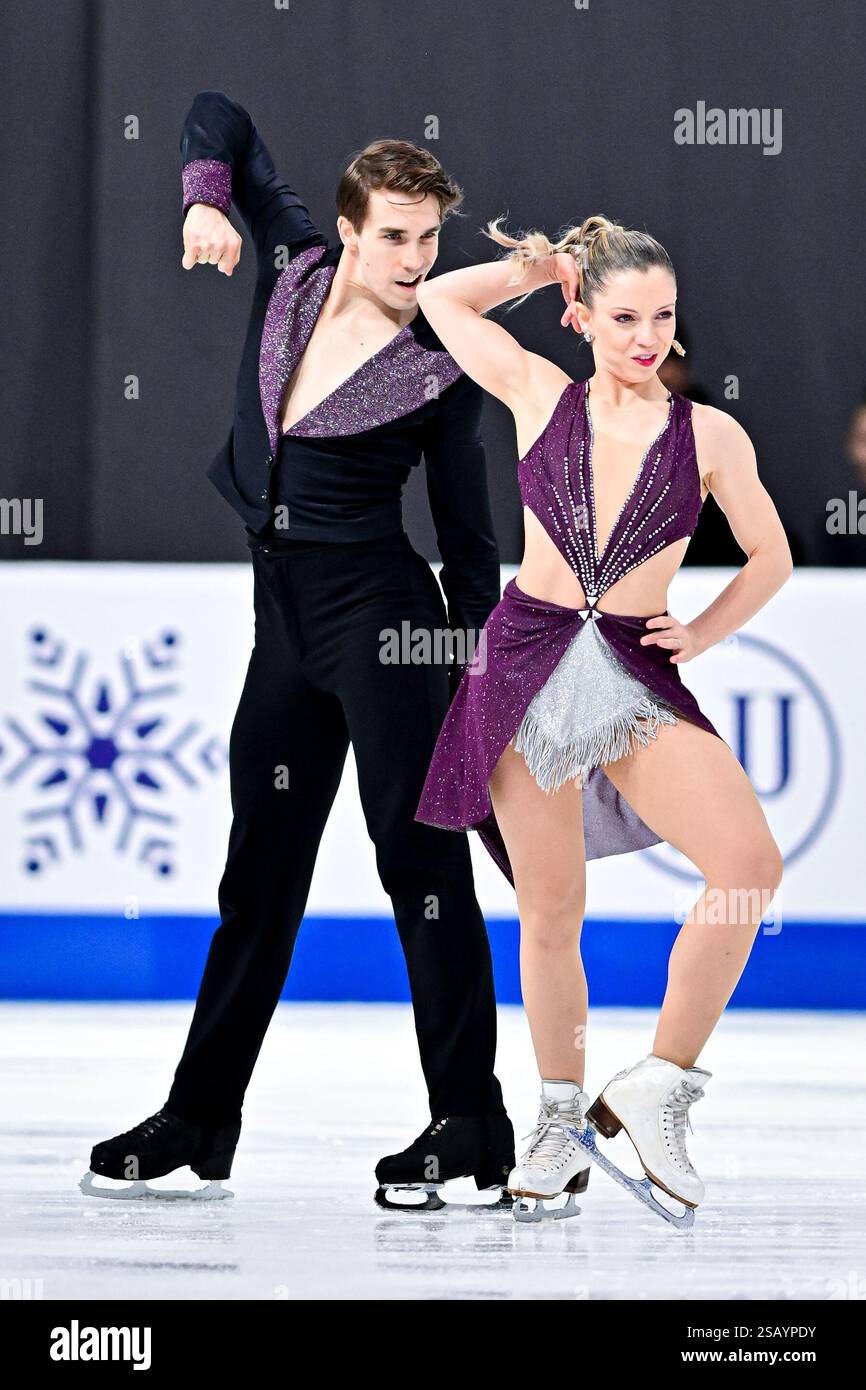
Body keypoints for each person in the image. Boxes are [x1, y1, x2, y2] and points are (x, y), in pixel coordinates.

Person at [82, 90, 515, 1206]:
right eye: (395, 237)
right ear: (349, 226)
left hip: (383, 622)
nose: (416, 260)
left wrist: (472, 665)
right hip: (283, 622)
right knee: (257, 878)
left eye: (430, 239)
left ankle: (469, 1117)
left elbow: (469, 542)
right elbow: (215, 114)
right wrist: (203, 203)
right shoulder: (290, 265)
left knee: (418, 868)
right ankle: (200, 1115)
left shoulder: (442, 361)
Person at [414, 214, 792, 1219]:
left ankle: (660, 1082)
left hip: (630, 668)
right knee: (549, 909)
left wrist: (700, 634)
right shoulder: (540, 393)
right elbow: (437, 298)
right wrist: (535, 268)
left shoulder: (708, 434)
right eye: (623, 316)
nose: (645, 337)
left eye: (661, 317)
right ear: (581, 317)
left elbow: (771, 555)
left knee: (747, 865)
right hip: (528, 656)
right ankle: (554, 1120)